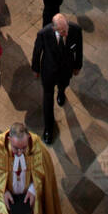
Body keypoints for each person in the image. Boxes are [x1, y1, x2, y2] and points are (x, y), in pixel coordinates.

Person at [31, 12, 83, 144]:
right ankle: (49, 128)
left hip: (66, 70)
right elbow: (37, 52)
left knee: (64, 85)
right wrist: (36, 68)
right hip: (49, 71)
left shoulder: (75, 30)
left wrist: (77, 66)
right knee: (47, 99)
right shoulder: (43, 34)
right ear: (54, 29)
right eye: (61, 31)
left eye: (66, 29)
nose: (65, 33)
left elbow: (79, 49)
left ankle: (61, 92)